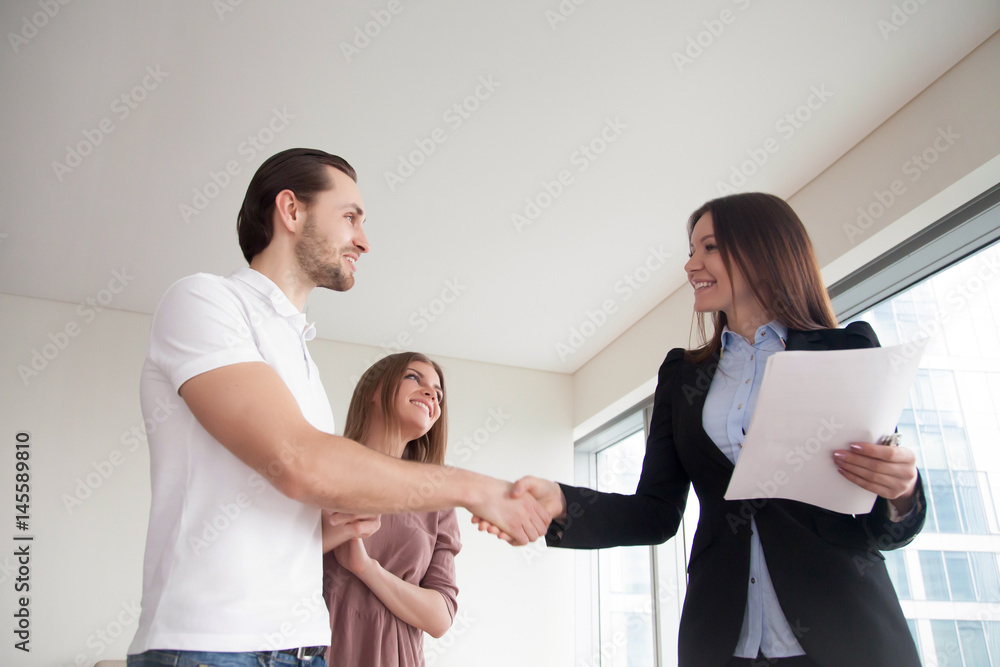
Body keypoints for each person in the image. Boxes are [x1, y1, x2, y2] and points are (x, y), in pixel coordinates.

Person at [126, 148, 549, 667]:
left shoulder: (303, 361)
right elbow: (299, 461)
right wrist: (480, 490)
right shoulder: (204, 301)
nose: (364, 242)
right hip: (212, 647)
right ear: (291, 210)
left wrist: (340, 530)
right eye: (350, 217)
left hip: (304, 650)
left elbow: (290, 515)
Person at [482, 192, 925, 667]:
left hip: (846, 631)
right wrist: (563, 502)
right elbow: (655, 512)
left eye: (708, 247)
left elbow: (884, 525)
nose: (692, 265)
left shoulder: (846, 349)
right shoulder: (682, 375)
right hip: (724, 639)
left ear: (763, 250)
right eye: (691, 251)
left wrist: (902, 492)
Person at [322, 352, 460, 666]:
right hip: (314, 653)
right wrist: (335, 533)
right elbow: (273, 554)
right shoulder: (323, 466)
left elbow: (440, 618)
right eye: (414, 378)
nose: (431, 394)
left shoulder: (437, 501)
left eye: (438, 393)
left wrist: (366, 568)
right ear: (373, 391)